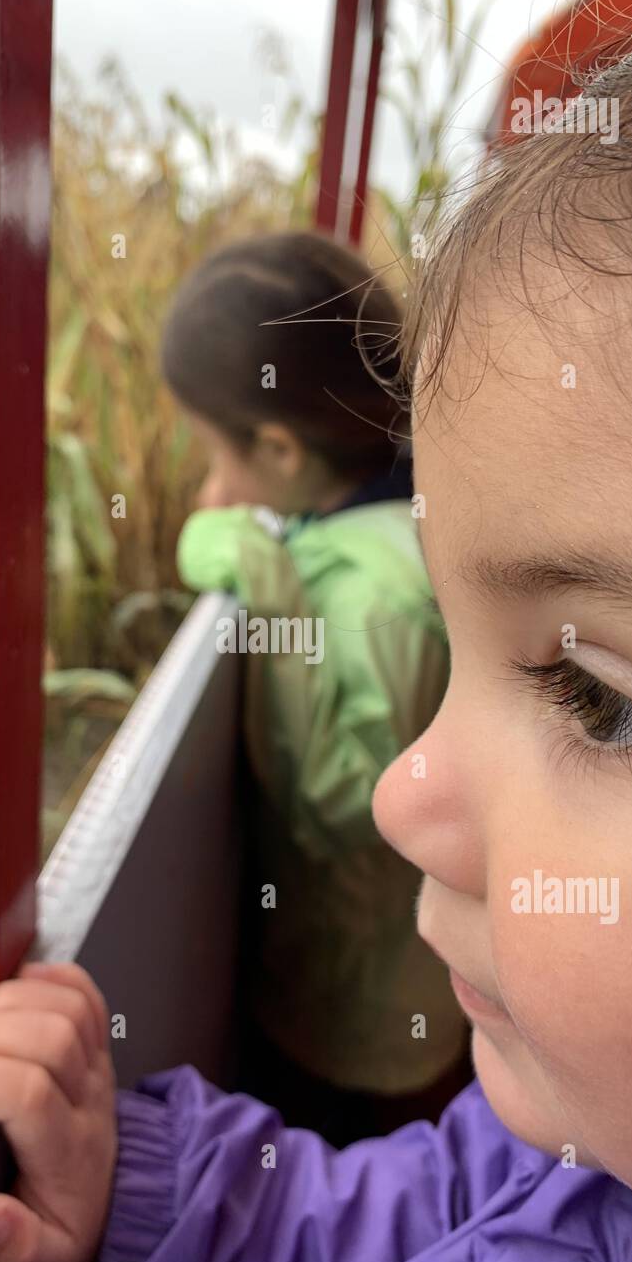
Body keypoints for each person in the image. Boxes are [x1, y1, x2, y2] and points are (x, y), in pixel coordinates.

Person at [0, 0, 632, 1262]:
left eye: (598, 699)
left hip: (363, 1005)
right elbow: (444, 1196)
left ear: (270, 448)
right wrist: (149, 1191)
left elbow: (330, 795)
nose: (401, 792)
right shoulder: (604, 1136)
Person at [162, 232, 470, 1143]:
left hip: (365, 1024)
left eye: (217, 456)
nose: (215, 488)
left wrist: (260, 569)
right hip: (393, 996)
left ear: (281, 449)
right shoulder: (417, 505)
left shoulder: (371, 596)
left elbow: (337, 806)